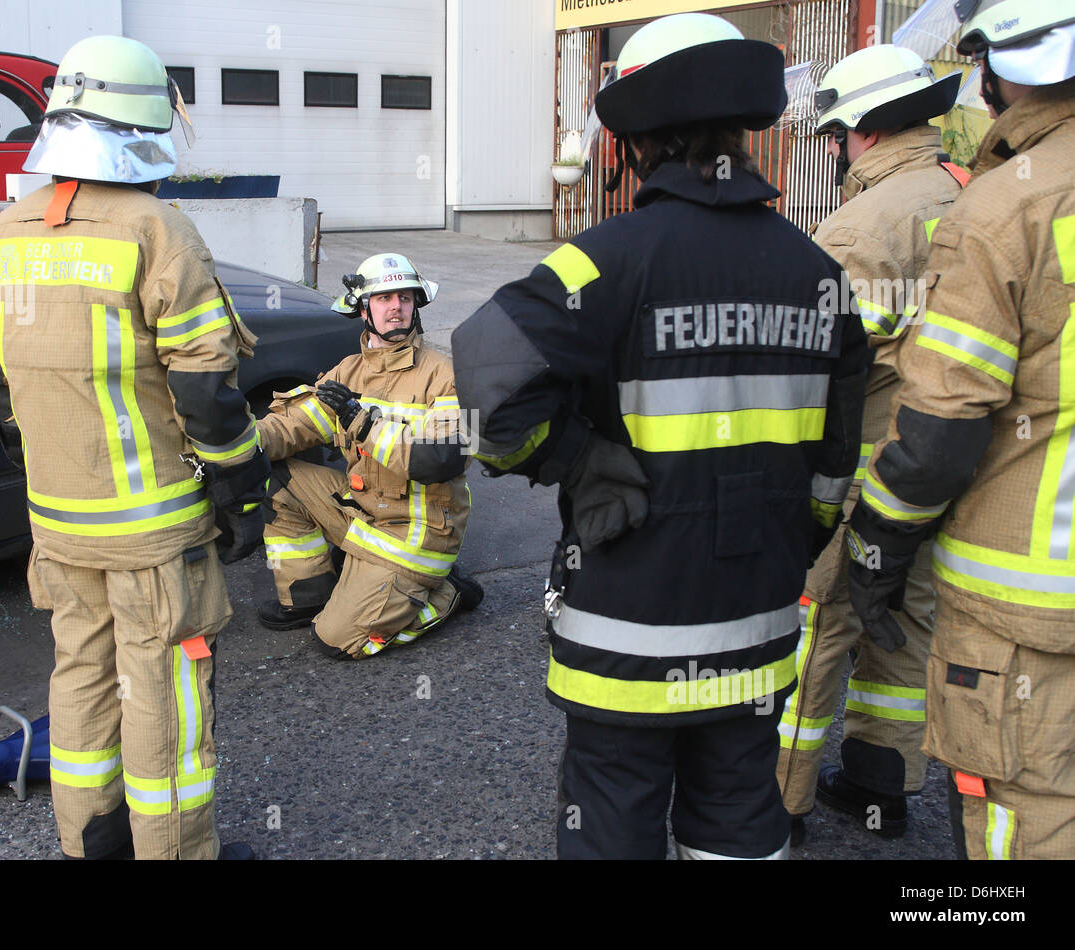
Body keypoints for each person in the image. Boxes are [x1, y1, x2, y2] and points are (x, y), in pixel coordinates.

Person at [452, 13, 868, 859]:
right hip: (755, 627)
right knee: (739, 820)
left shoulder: (601, 262)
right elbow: (835, 467)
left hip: (627, 635)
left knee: (611, 820)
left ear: (635, 139)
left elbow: (487, 388)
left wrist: (576, 459)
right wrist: (791, 540)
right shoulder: (820, 276)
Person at [0, 35, 268, 859]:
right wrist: (242, 491)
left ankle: (90, 844)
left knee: (82, 680)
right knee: (166, 695)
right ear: (143, 123)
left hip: (59, 527)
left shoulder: (2, 234)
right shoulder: (155, 230)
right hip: (154, 536)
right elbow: (207, 392)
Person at [846, 0, 1075, 859]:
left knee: (1031, 814)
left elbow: (943, 426)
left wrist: (878, 542)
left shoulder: (1006, 209)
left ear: (998, 65)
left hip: (1034, 605)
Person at [776, 45, 967, 845]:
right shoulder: (971, 194)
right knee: (908, 613)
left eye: (835, 131)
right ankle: (879, 783)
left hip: (864, 466)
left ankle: (774, 805)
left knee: (821, 625)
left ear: (864, 129)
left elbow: (817, 372)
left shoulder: (857, 229)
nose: (829, 147)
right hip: (946, 463)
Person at [255, 253, 482, 659]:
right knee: (273, 475)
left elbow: (440, 461)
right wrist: (228, 447)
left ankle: (444, 595)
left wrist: (361, 422)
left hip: (415, 534)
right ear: (362, 309)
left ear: (416, 306)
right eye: (383, 298)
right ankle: (308, 593)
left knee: (339, 643)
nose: (396, 307)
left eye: (405, 298)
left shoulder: (446, 375)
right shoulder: (348, 371)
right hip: (363, 513)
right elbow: (294, 426)